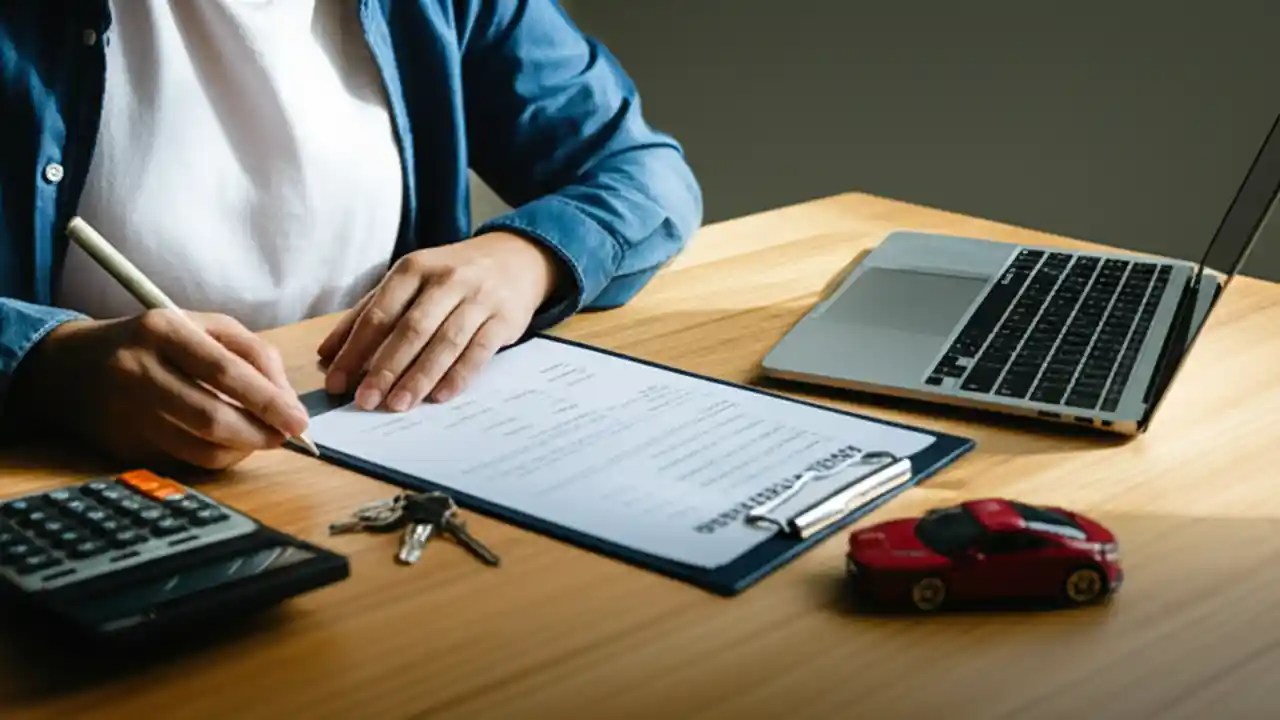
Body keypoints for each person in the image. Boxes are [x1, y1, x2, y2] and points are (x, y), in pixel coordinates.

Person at [0, 1, 701, 469]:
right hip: (71, 481)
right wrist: (47, 364)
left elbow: (644, 173)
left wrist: (527, 257)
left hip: (372, 456)